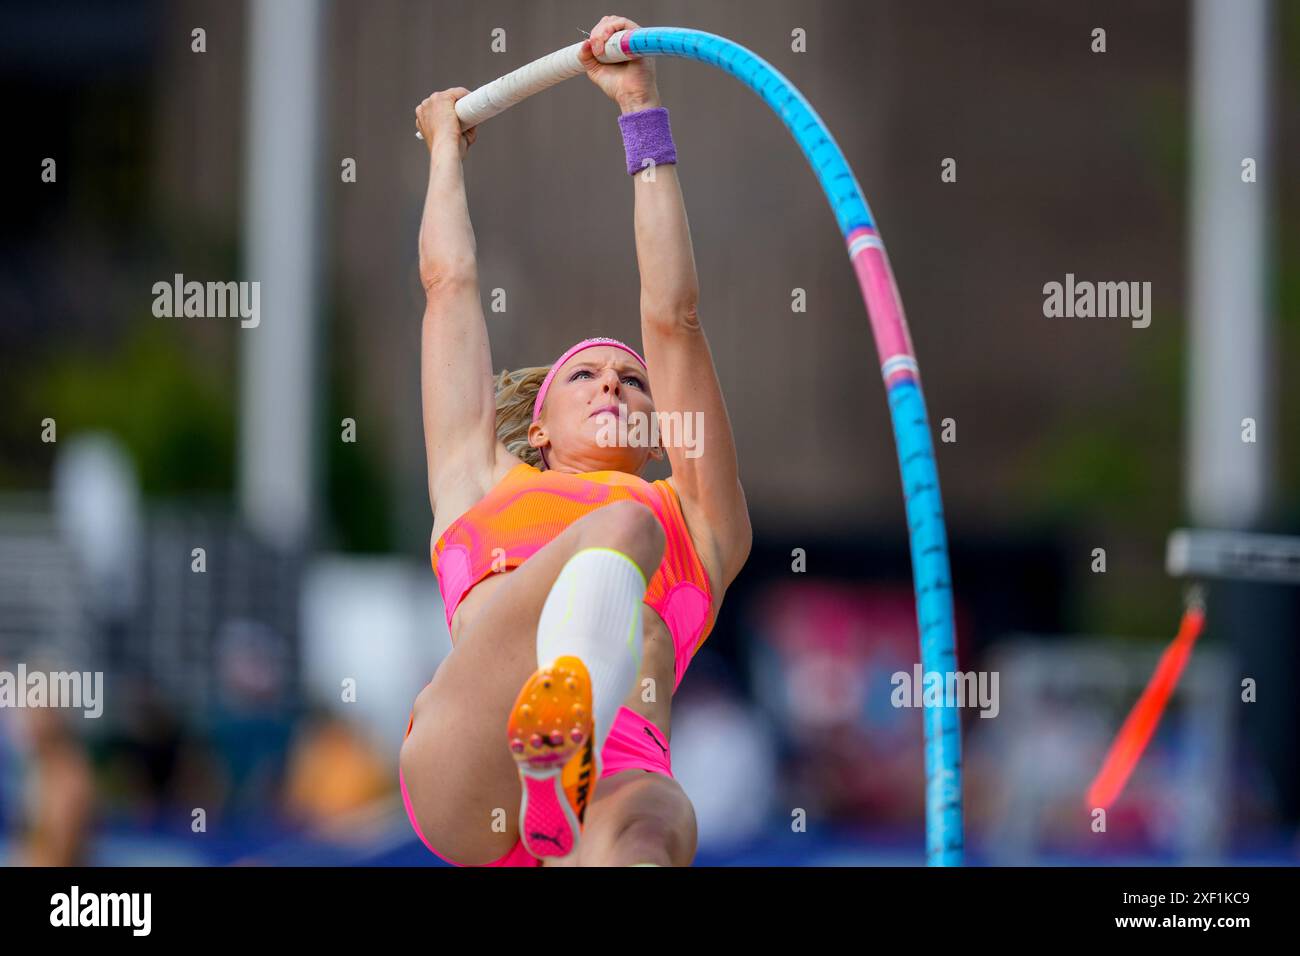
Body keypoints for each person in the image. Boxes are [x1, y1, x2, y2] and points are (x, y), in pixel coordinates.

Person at [400, 14, 751, 867]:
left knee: (660, 825)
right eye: (586, 376)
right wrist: (446, 148)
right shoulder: (480, 481)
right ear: (538, 427)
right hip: (474, 761)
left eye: (632, 380)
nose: (614, 386)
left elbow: (674, 318)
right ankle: (552, 747)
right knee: (622, 530)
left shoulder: (696, 522)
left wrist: (640, 105)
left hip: (607, 790)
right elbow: (450, 286)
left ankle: (571, 773)